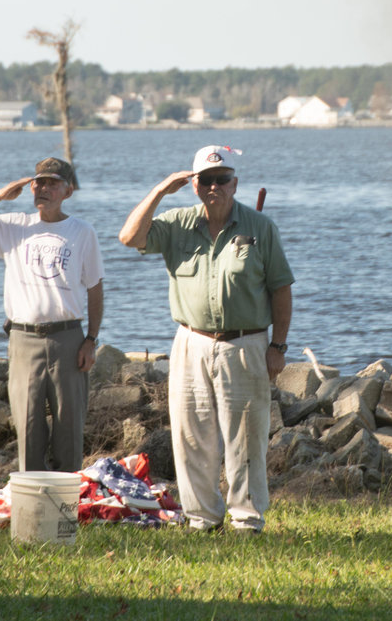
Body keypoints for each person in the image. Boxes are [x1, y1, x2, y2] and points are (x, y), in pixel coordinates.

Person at [119, 144, 293, 533]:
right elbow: (129, 237)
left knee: (246, 436)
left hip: (246, 343)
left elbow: (281, 289)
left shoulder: (260, 228)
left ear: (235, 183)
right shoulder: (176, 223)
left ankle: (247, 518)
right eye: (206, 180)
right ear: (193, 185)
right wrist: (161, 190)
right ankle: (202, 517)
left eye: (222, 179)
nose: (215, 186)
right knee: (191, 434)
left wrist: (278, 346)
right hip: (191, 342)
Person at [0, 157, 104, 472]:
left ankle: (67, 509)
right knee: (28, 425)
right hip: (23, 339)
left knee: (68, 430)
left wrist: (91, 340)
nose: (43, 188)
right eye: (39, 182)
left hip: (68, 339)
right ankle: (32, 506)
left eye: (52, 183)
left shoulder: (82, 232)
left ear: (68, 191)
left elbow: (95, 289)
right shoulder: (13, 226)